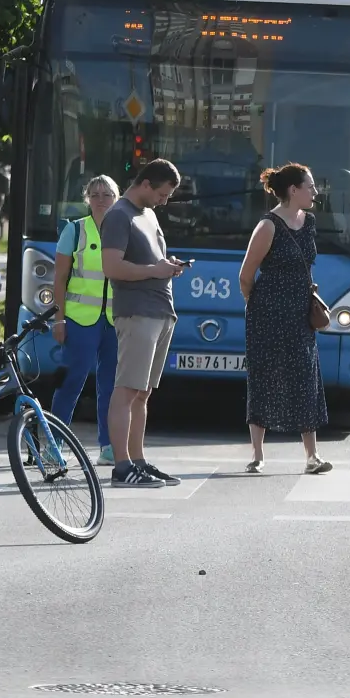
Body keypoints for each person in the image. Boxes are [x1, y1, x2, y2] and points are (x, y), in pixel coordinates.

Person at [239, 164, 333, 475]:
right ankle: (257, 455)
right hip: (267, 313)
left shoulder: (309, 222)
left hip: (300, 313)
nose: (315, 192)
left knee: (305, 378)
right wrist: (257, 306)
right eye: (310, 186)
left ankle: (312, 456)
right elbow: (246, 275)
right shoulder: (268, 226)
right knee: (264, 377)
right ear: (294, 190)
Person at [102, 159, 189, 488]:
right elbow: (112, 267)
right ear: (146, 183)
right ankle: (122, 467)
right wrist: (155, 270)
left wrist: (167, 265)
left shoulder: (148, 214)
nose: (164, 201)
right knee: (127, 390)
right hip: (137, 312)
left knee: (142, 393)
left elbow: (148, 260)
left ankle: (137, 461)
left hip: (160, 310)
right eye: (162, 194)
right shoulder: (119, 215)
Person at [48, 176, 121, 466]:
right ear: (87, 199)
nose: (101, 199)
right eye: (95, 194)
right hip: (79, 320)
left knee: (111, 386)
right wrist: (58, 320)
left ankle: (109, 446)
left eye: (107, 194)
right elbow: (59, 279)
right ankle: (53, 445)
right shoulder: (75, 230)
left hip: (115, 320)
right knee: (71, 381)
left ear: (116, 198)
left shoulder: (125, 229)